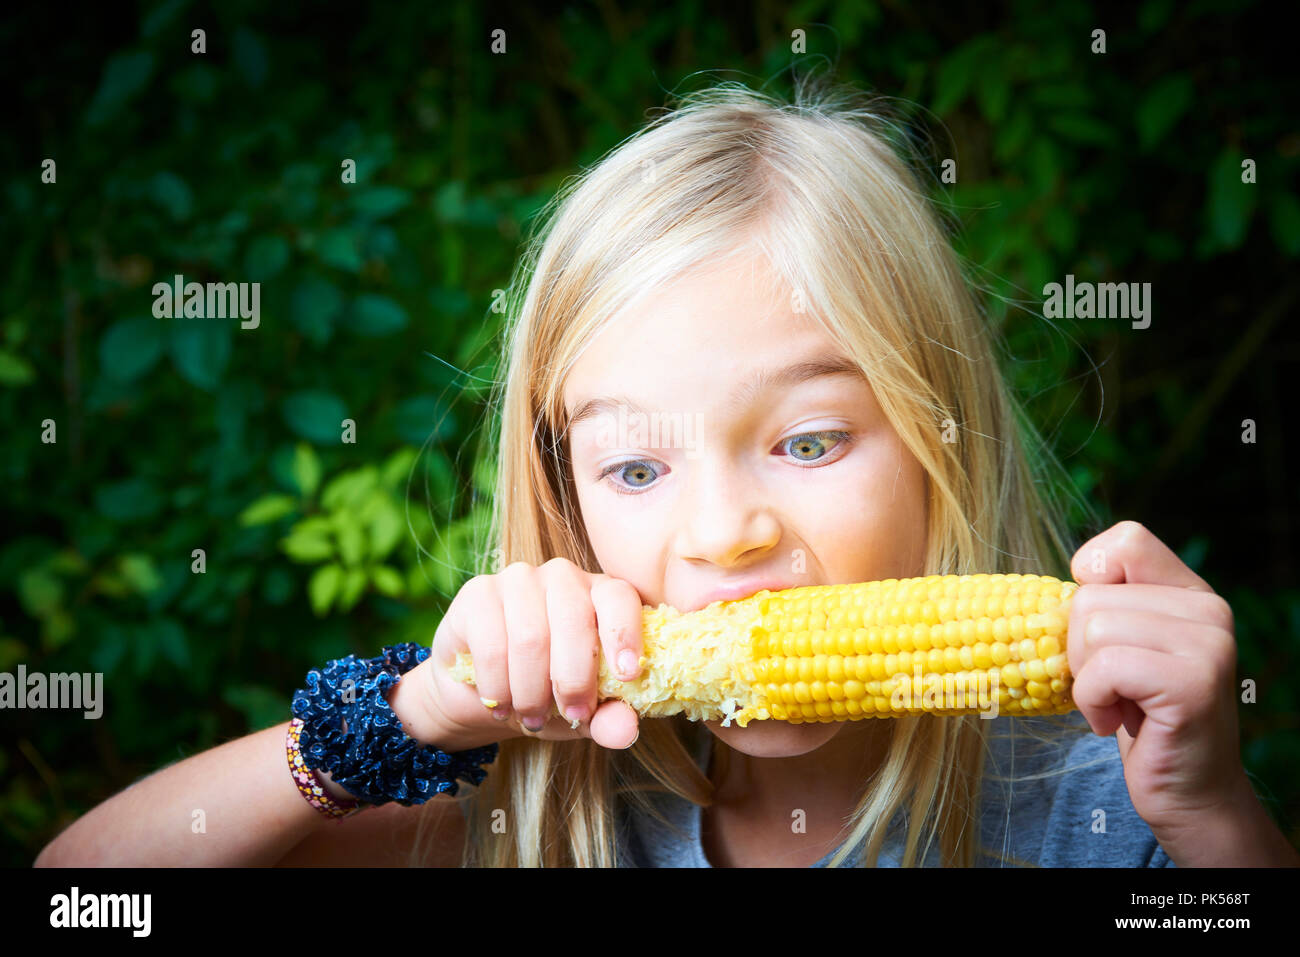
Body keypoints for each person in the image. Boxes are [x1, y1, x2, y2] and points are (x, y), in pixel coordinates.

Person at [35, 78, 1298, 868]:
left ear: (939, 439)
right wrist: (411, 716)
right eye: (635, 465)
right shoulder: (526, 801)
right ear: (567, 500)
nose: (724, 534)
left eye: (809, 442)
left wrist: (1220, 824)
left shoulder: (1108, 806)